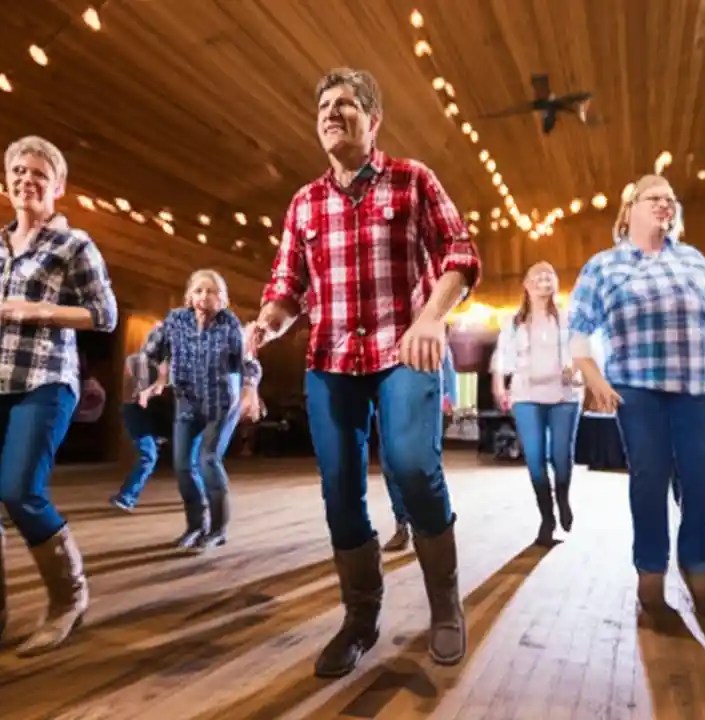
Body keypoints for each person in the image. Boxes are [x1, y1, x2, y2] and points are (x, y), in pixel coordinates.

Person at [248, 67, 480, 677]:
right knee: (339, 490)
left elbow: (459, 253)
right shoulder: (305, 202)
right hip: (329, 359)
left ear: (372, 122)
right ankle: (360, 616)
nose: (330, 111)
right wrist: (270, 322)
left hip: (404, 348)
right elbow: (287, 285)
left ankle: (445, 604)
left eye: (345, 103)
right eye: (324, 104)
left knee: (412, 467)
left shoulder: (412, 180)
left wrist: (431, 318)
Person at [0, 136, 118, 672]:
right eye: (17, 170)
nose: (25, 179)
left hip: (45, 381)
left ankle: (68, 600)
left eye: (38, 172)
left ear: (57, 186)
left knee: (19, 490)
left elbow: (102, 315)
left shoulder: (75, 245)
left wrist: (37, 310)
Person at [568, 174, 705, 614]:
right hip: (636, 387)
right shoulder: (603, 266)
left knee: (704, 479)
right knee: (649, 478)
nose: (665, 204)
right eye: (655, 197)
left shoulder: (692, 260)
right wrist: (594, 377)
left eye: (671, 199)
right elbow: (578, 331)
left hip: (696, 387)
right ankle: (651, 568)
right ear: (628, 207)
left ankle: (696, 561)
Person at [137, 269, 263, 552]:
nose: (203, 297)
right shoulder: (175, 321)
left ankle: (218, 528)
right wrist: (155, 379)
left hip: (221, 404)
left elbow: (249, 364)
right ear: (189, 296)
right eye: (198, 291)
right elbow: (151, 351)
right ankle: (195, 526)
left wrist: (249, 391)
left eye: (211, 292)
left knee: (208, 460)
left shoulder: (230, 326)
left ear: (223, 299)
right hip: (187, 401)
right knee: (182, 466)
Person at [491, 261, 583, 546]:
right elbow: (502, 357)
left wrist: (576, 369)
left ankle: (563, 499)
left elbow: (583, 350)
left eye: (550, 275)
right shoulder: (513, 322)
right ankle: (547, 517)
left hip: (564, 396)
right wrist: (498, 385)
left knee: (562, 459)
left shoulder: (569, 318)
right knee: (534, 460)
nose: (545, 278)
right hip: (526, 396)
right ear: (527, 286)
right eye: (538, 275)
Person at [381, 344, 457, 552]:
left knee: (419, 468)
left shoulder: (425, 326)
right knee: (390, 465)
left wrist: (449, 395)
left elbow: (445, 360)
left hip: (425, 396)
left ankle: (429, 530)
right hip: (389, 396)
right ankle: (402, 524)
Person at [109, 345, 162, 511]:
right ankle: (126, 497)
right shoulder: (138, 360)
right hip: (137, 410)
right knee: (148, 456)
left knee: (150, 456)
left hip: (147, 412)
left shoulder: (144, 360)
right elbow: (139, 395)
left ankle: (125, 496)